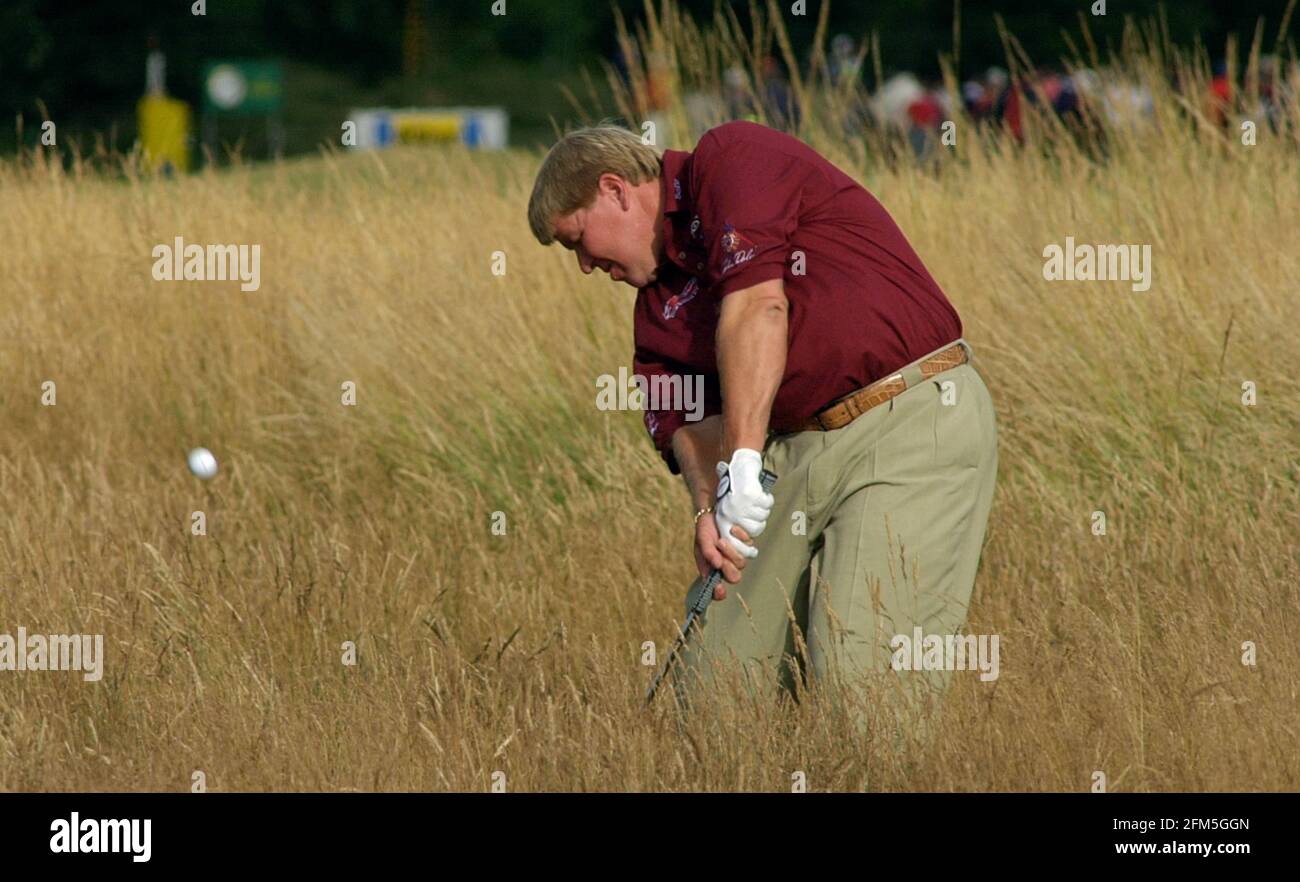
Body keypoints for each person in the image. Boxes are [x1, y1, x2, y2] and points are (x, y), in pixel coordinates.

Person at [526, 121, 998, 743]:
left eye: (577, 242)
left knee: (861, 682)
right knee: (713, 690)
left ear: (614, 190)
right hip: (794, 451)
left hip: (908, 417)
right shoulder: (656, 309)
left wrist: (743, 462)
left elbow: (757, 304)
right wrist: (709, 506)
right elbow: (690, 420)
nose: (586, 267)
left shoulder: (731, 158)